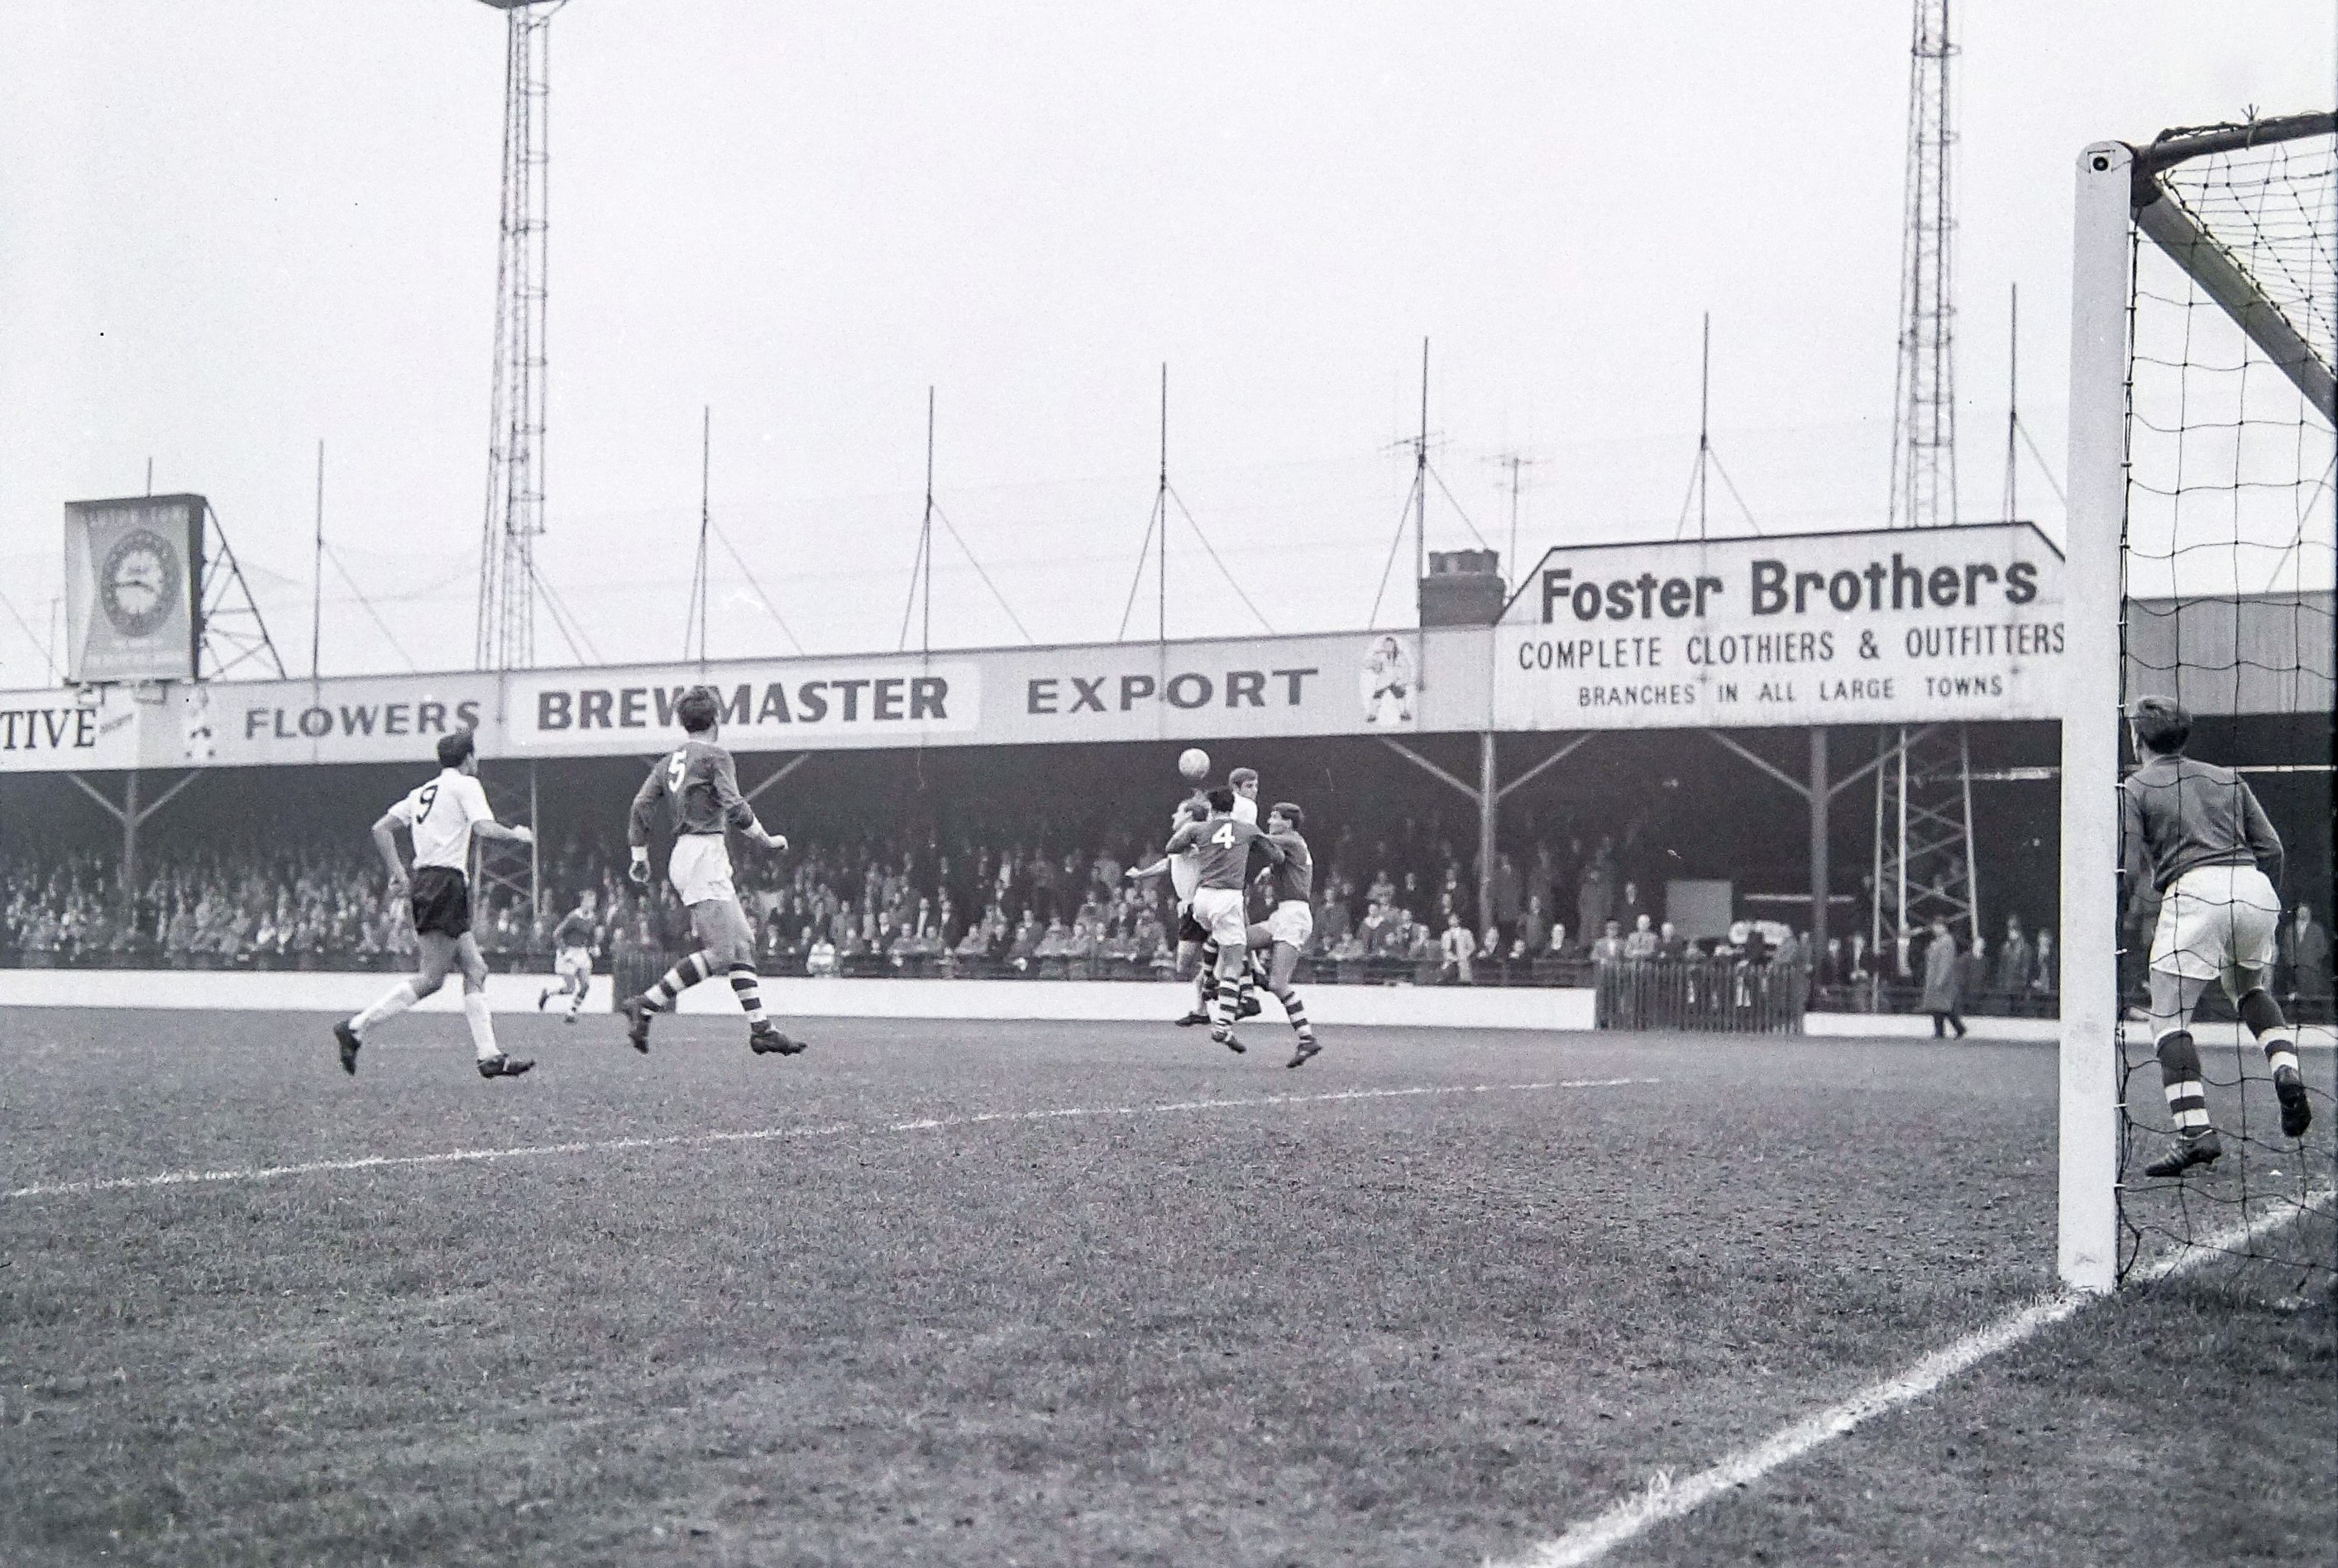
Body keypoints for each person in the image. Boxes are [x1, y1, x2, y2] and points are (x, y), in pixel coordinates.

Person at [2120, 696, 2309, 1176]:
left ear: (2138, 738)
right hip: (2253, 886)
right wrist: (2260, 899)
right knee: (2250, 991)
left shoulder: (2138, 784)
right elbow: (2273, 847)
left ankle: (2195, 1133)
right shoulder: (2227, 777)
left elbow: (2129, 865)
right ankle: (2285, 1067)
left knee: (2169, 1019)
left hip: (2195, 892)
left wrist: (2124, 911)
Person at [333, 729, 536, 1079]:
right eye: (476, 755)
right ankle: (355, 1027)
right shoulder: (465, 786)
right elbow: (485, 828)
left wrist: (399, 874)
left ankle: (489, 1056)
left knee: (475, 968)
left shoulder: (422, 791)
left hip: (433, 882)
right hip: (444, 883)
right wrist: (516, 834)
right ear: (469, 757)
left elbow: (381, 828)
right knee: (432, 978)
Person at [617, 686, 806, 1058]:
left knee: (743, 944)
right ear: (716, 720)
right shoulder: (715, 755)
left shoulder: (668, 761)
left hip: (688, 854)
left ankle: (761, 1030)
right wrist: (765, 840)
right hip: (703, 853)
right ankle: (647, 1003)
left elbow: (641, 805)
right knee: (722, 952)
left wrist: (639, 856)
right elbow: (734, 805)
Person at [1164, 786, 1285, 1054]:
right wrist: (1247, 849)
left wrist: (1197, 846)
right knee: (1234, 961)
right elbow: (1277, 856)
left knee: (1216, 940)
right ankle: (1224, 1024)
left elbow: (1171, 846)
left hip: (1202, 900)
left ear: (1211, 808)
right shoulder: (1247, 829)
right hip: (1228, 899)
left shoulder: (1199, 829)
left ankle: (1209, 981)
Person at [1245, 801, 1321, 1067]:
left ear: (1287, 823)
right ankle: (1255, 976)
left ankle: (1307, 1038)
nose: (1270, 821)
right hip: (1284, 914)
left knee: (1279, 984)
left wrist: (1239, 827)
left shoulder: (1291, 839)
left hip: (1294, 915)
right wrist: (1269, 870)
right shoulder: (1292, 844)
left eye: (1275, 817)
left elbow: (1260, 839)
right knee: (1238, 941)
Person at [537, 889, 599, 1024]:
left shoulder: (593, 917)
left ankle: (571, 1012)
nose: (592, 903)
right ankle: (548, 994)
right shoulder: (573, 917)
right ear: (582, 902)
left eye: (593, 901)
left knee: (585, 985)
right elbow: (557, 934)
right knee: (570, 989)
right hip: (568, 953)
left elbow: (591, 934)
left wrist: (594, 946)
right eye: (589, 900)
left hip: (581, 952)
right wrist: (565, 952)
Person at [1921, 917, 1967, 1038]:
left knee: (1943, 1008)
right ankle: (1942, 1031)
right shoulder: (1938, 941)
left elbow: (1945, 963)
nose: (1934, 929)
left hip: (1941, 981)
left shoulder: (1947, 941)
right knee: (1938, 1008)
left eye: (1936, 926)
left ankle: (1956, 1029)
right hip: (1935, 980)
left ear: (1943, 927)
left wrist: (1940, 980)